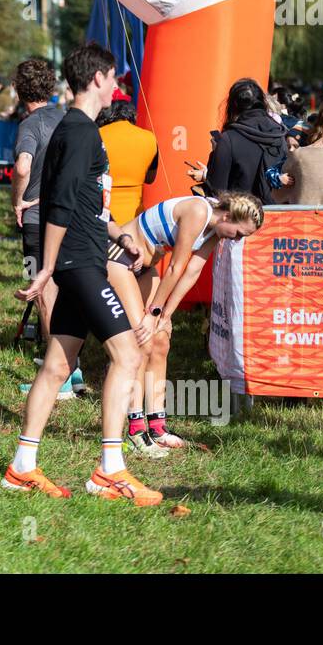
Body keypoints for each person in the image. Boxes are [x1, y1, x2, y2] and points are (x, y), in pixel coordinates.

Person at [5, 43, 162, 504]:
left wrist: (119, 233)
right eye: (114, 77)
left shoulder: (81, 131)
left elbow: (86, 203)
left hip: (86, 255)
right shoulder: (79, 132)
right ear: (97, 78)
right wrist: (49, 266)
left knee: (57, 366)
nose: (118, 86)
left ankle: (21, 467)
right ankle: (110, 469)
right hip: (77, 264)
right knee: (129, 355)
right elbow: (60, 203)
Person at [107, 192, 263, 457]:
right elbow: (175, 268)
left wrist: (165, 314)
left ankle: (156, 426)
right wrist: (153, 311)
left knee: (161, 342)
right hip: (119, 260)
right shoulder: (199, 212)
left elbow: (193, 270)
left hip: (145, 267)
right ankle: (135, 430)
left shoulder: (216, 229)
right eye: (238, 233)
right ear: (227, 216)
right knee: (142, 341)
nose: (237, 240)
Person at [9, 58, 76, 399]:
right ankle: (72, 367)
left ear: (19, 91)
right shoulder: (69, 120)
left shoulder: (29, 124)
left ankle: (59, 376)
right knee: (64, 290)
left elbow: (23, 166)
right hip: (68, 217)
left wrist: (19, 200)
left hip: (37, 220)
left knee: (41, 292)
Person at [194, 78, 288, 203]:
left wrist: (216, 154)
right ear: (262, 101)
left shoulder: (229, 139)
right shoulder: (279, 133)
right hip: (276, 215)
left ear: (233, 105)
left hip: (239, 215)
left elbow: (216, 191)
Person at [97, 96, 159, 226]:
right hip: (135, 217)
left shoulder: (97, 135)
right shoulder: (149, 138)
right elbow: (150, 178)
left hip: (103, 212)